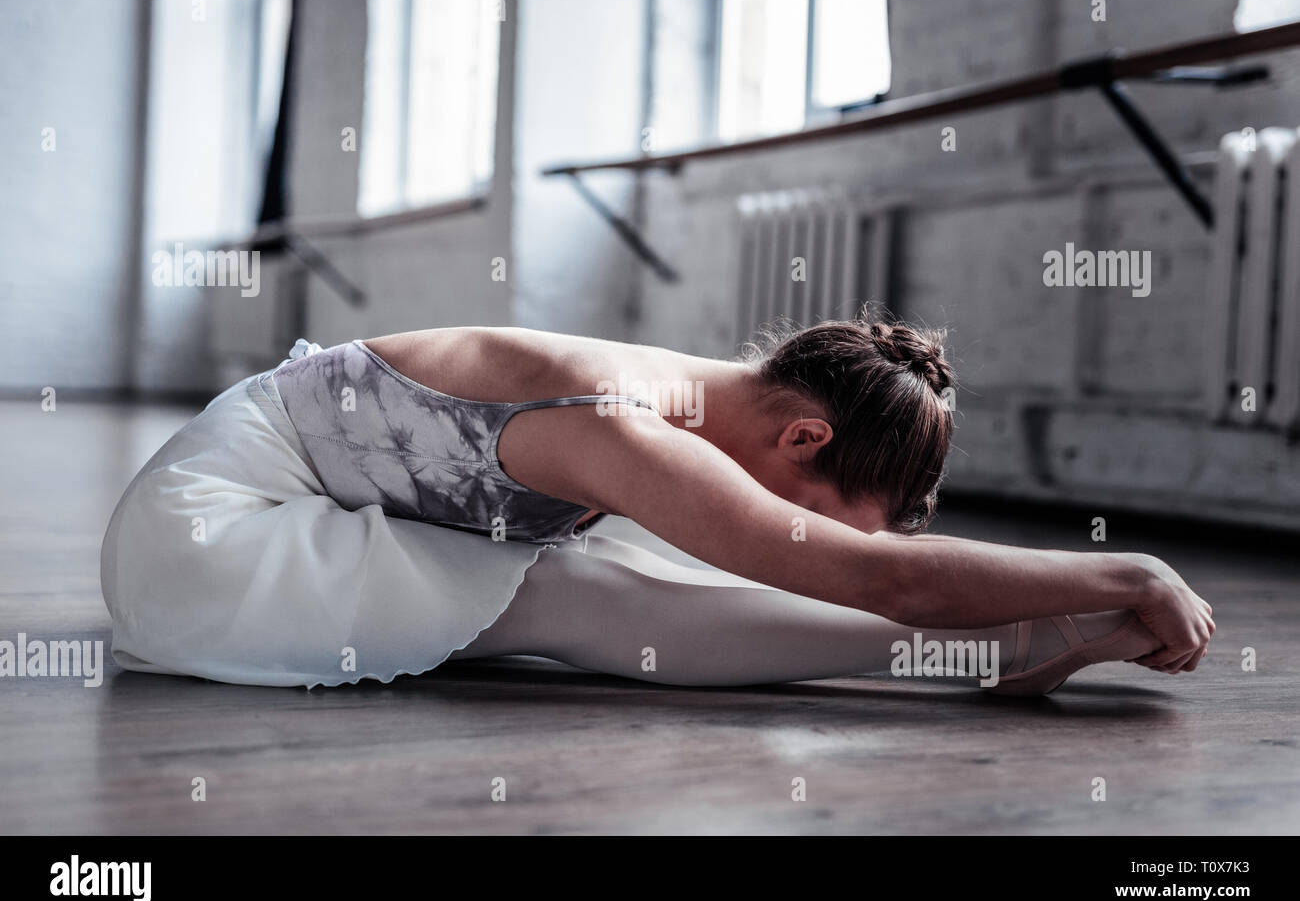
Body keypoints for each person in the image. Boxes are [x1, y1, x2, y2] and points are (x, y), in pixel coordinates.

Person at [100, 312, 1214, 693]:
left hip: (284, 501)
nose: (818, 535)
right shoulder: (622, 421)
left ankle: (988, 648)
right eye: (828, 504)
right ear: (804, 434)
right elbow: (882, 573)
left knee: (645, 572)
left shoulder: (693, 399)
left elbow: (834, 556)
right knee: (585, 600)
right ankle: (992, 650)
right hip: (209, 541)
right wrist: (1128, 572)